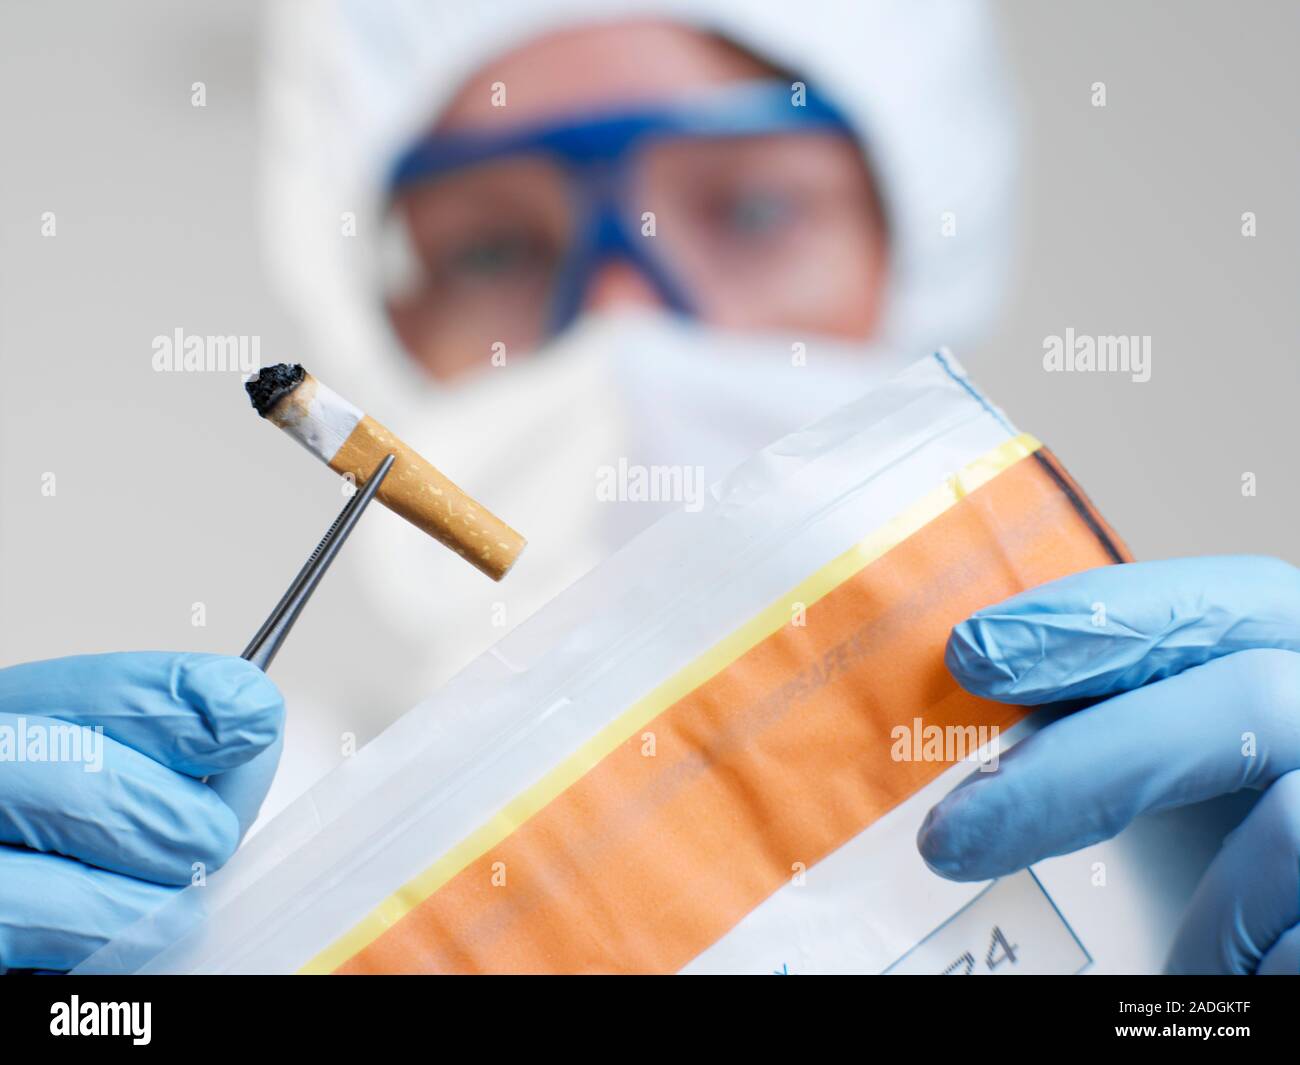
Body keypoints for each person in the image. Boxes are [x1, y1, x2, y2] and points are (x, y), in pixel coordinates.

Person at [2, 0, 1297, 974]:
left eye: (745, 212)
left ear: (923, 252)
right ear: (370, 318)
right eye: (498, 244)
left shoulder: (1180, 839)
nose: (624, 320)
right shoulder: (181, 903)